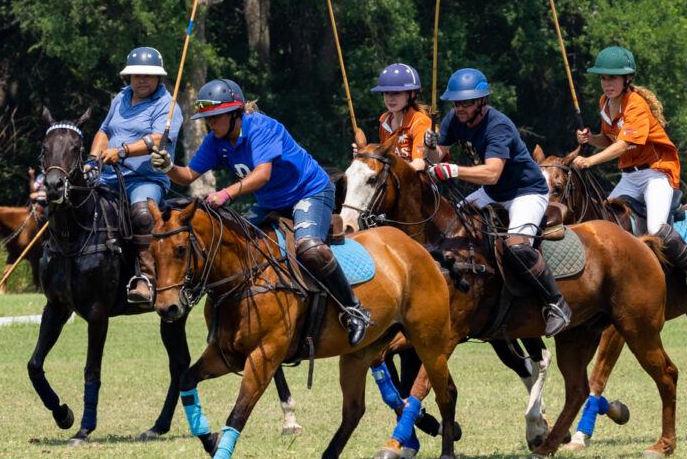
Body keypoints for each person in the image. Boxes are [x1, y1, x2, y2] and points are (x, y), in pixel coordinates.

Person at [155, 78, 373, 346]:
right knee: (236, 246)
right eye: (206, 117)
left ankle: (354, 310)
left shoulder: (262, 128)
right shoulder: (215, 141)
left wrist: (227, 192)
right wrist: (167, 166)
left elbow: (262, 174)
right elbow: (187, 175)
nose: (210, 122)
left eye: (216, 116)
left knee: (309, 248)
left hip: (310, 192)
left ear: (235, 114)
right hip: (272, 202)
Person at [428, 68, 571, 336]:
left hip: (525, 191)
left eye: (466, 102)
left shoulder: (498, 125)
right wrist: (429, 147)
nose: (459, 108)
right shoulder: (453, 119)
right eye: (455, 102)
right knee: (448, 230)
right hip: (493, 193)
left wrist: (454, 170)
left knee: (516, 247)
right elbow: (436, 157)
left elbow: (492, 173)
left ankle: (556, 303)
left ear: (481, 101)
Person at [572, 46, 687, 300]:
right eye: (603, 78)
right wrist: (591, 138)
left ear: (628, 79)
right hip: (629, 176)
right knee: (605, 224)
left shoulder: (636, 105)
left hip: (656, 174)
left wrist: (590, 160)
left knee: (657, 227)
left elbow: (624, 144)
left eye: (612, 78)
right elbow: (610, 138)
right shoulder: (605, 103)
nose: (607, 83)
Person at [88, 46, 177, 305]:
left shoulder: (166, 104)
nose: (141, 80)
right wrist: (92, 161)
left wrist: (123, 151)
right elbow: (104, 131)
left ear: (159, 77)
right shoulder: (121, 98)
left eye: (148, 75)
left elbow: (160, 138)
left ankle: (146, 279)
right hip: (108, 178)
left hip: (145, 179)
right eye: (136, 75)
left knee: (141, 213)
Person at [366, 63, 433, 171]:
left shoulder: (421, 122)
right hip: (395, 183)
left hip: (420, 182)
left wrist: (394, 174)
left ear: (411, 94)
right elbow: (384, 158)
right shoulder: (384, 120)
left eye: (396, 93)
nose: (390, 98)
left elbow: (419, 164)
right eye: (386, 93)